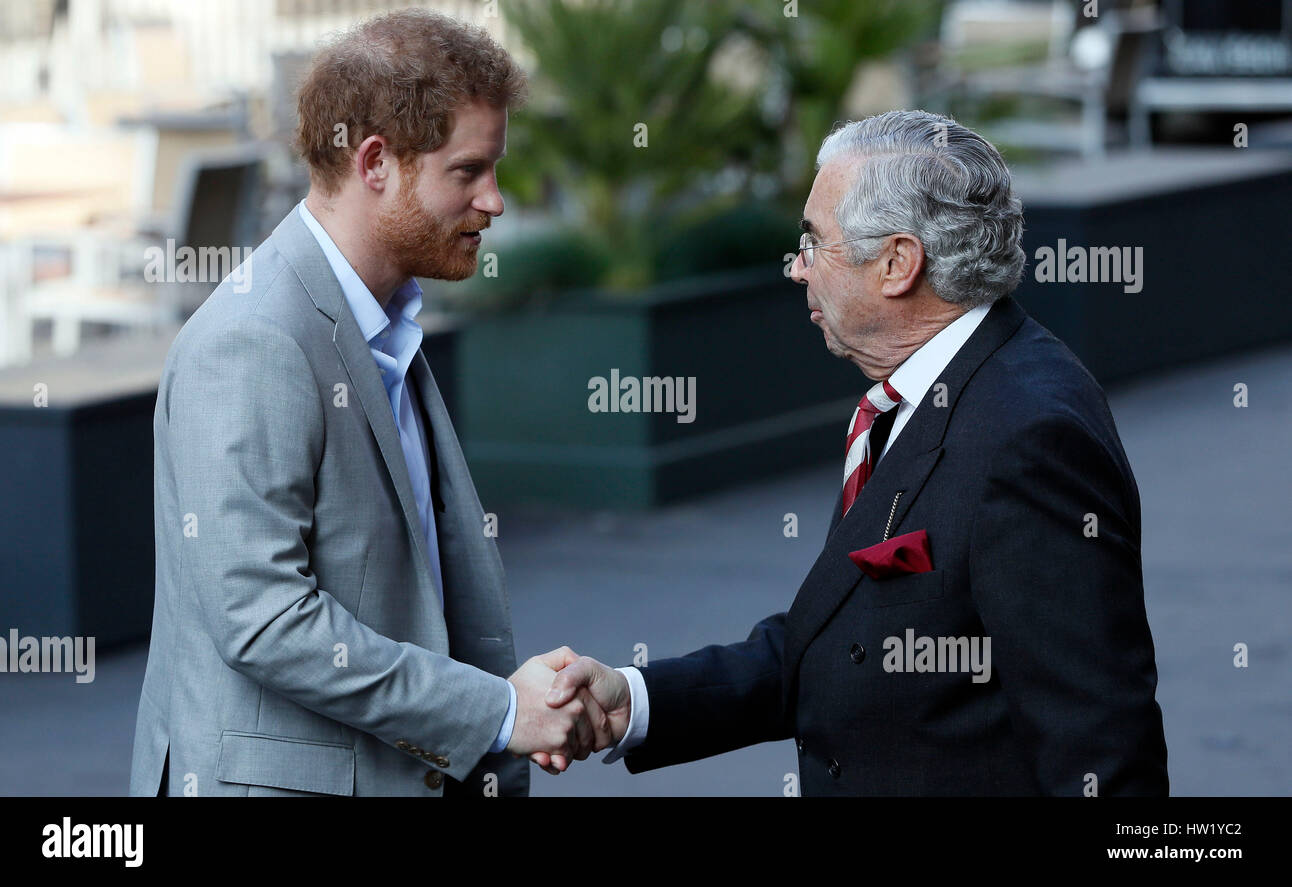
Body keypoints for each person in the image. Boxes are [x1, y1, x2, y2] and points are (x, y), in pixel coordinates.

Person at [538, 110, 1170, 796]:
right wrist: (637, 699)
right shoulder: (913, 394)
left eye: (814, 243)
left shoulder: (1028, 434)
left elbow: (1101, 750)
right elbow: (837, 637)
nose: (797, 268)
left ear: (898, 263)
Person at [129, 9, 603, 797]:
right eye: (468, 171)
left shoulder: (381, 318)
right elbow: (265, 618)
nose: (496, 201)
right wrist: (494, 711)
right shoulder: (254, 340)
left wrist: (508, 707)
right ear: (375, 161)